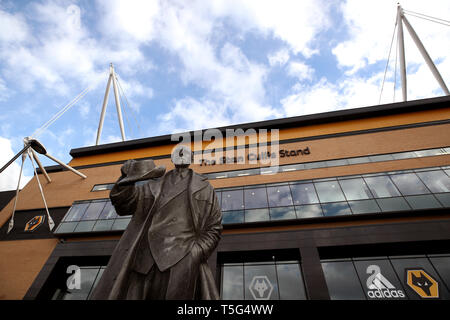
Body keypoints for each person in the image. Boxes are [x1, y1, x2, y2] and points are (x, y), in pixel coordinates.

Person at [90, 145, 222, 300]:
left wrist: (196, 252)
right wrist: (127, 179)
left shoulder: (205, 187)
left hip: (182, 259)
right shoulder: (152, 184)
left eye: (186, 152)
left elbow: (214, 227)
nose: (181, 153)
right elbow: (125, 204)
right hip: (144, 258)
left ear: (192, 159)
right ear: (172, 158)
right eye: (177, 151)